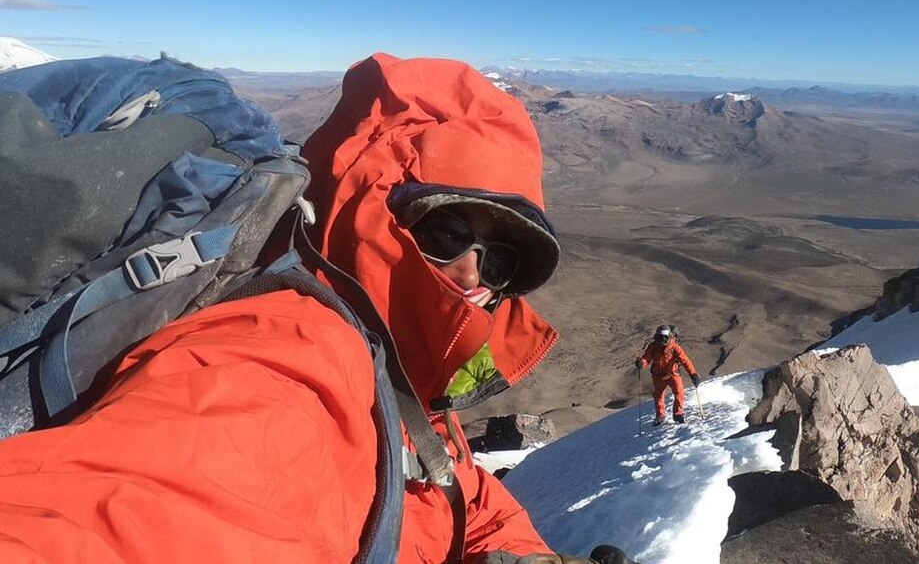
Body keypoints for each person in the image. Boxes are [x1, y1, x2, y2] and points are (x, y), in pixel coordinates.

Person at [0, 54, 633, 564]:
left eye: (500, 262)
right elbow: (134, 514)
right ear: (372, 205)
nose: (473, 273)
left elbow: (451, 487)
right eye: (447, 233)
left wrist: (520, 555)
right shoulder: (293, 356)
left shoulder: (395, 367)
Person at [635, 325, 700, 425]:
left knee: (679, 393)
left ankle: (678, 414)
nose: (662, 339)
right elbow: (646, 358)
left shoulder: (675, 348)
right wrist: (641, 363)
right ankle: (660, 416)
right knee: (659, 396)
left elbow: (685, 361)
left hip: (672, 374)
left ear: (669, 336)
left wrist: (693, 374)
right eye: (661, 336)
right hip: (658, 375)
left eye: (664, 336)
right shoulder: (653, 347)